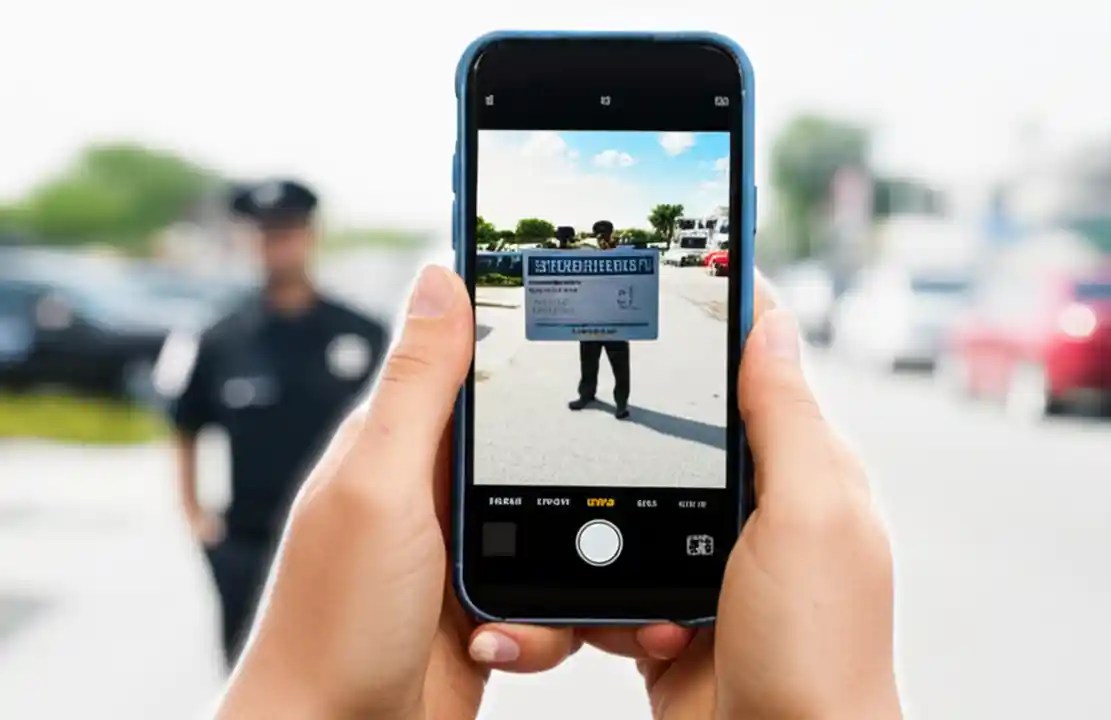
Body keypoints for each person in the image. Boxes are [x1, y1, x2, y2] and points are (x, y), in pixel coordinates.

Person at [214, 264, 901, 719]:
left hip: (620, 337)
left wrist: (301, 700)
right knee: (588, 368)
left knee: (616, 369)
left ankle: (617, 403)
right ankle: (589, 398)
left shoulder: (626, 263)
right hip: (588, 339)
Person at [160, 178, 388, 667]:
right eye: (263, 232)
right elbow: (185, 426)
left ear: (310, 234)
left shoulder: (362, 334)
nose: (275, 243)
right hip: (248, 544)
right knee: (249, 679)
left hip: (342, 544)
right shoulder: (219, 339)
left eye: (286, 230)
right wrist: (196, 518)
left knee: (341, 681)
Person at [568, 219, 633, 419]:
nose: (601, 236)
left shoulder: (622, 253)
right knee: (588, 361)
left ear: (611, 233)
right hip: (590, 316)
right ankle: (586, 395)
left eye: (605, 233)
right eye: (598, 233)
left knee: (620, 365)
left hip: (615, 319)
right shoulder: (585, 253)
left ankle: (621, 402)